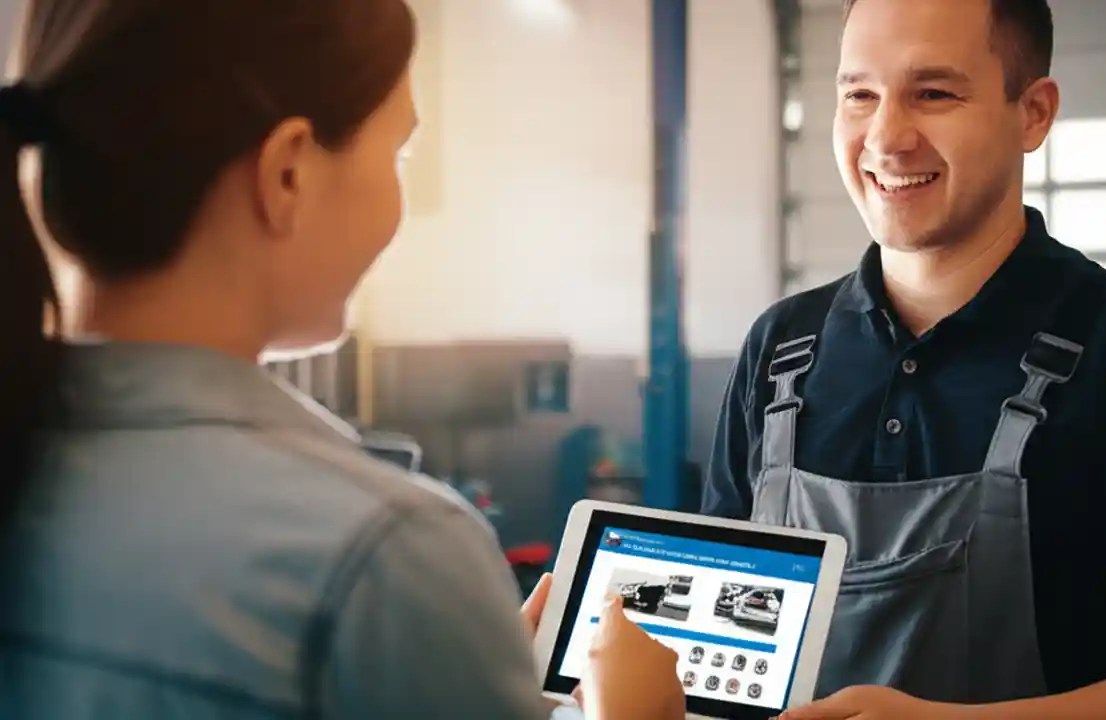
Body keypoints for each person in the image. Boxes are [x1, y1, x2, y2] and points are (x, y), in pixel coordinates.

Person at [0, 1, 683, 718]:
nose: (398, 195)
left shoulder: (31, 460)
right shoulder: (386, 551)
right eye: (398, 155)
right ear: (288, 173)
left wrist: (453, 662)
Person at [703, 0, 1106, 718]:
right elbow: (722, 632)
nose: (887, 136)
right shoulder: (778, 350)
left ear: (1032, 113)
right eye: (859, 95)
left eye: (933, 93)